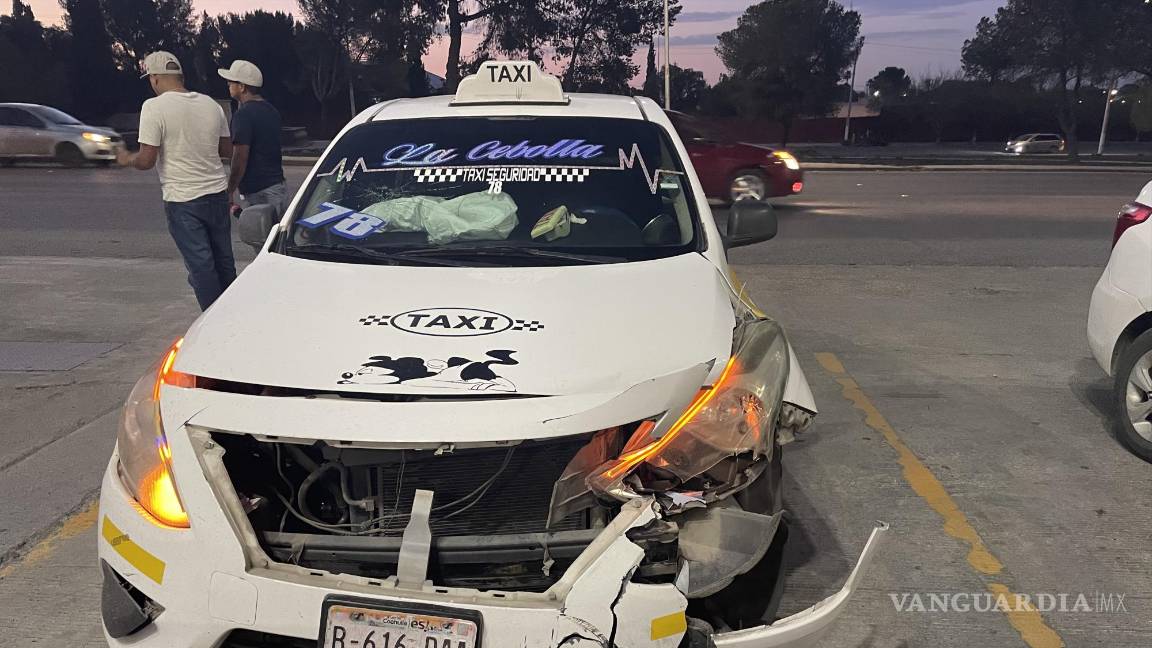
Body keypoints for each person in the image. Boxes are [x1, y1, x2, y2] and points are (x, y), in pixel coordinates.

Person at [117, 51, 235, 311]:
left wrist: (127, 159)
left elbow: (147, 160)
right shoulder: (211, 105)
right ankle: (232, 314)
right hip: (216, 193)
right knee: (224, 261)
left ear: (156, 78)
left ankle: (212, 321)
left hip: (183, 201)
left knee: (201, 266)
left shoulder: (153, 107)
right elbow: (227, 151)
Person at [218, 60, 287, 216]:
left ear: (242, 87)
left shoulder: (243, 115)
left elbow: (240, 156)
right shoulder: (272, 111)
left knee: (259, 236)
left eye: (231, 82)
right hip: (277, 186)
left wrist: (230, 189)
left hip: (258, 191)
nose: (228, 85)